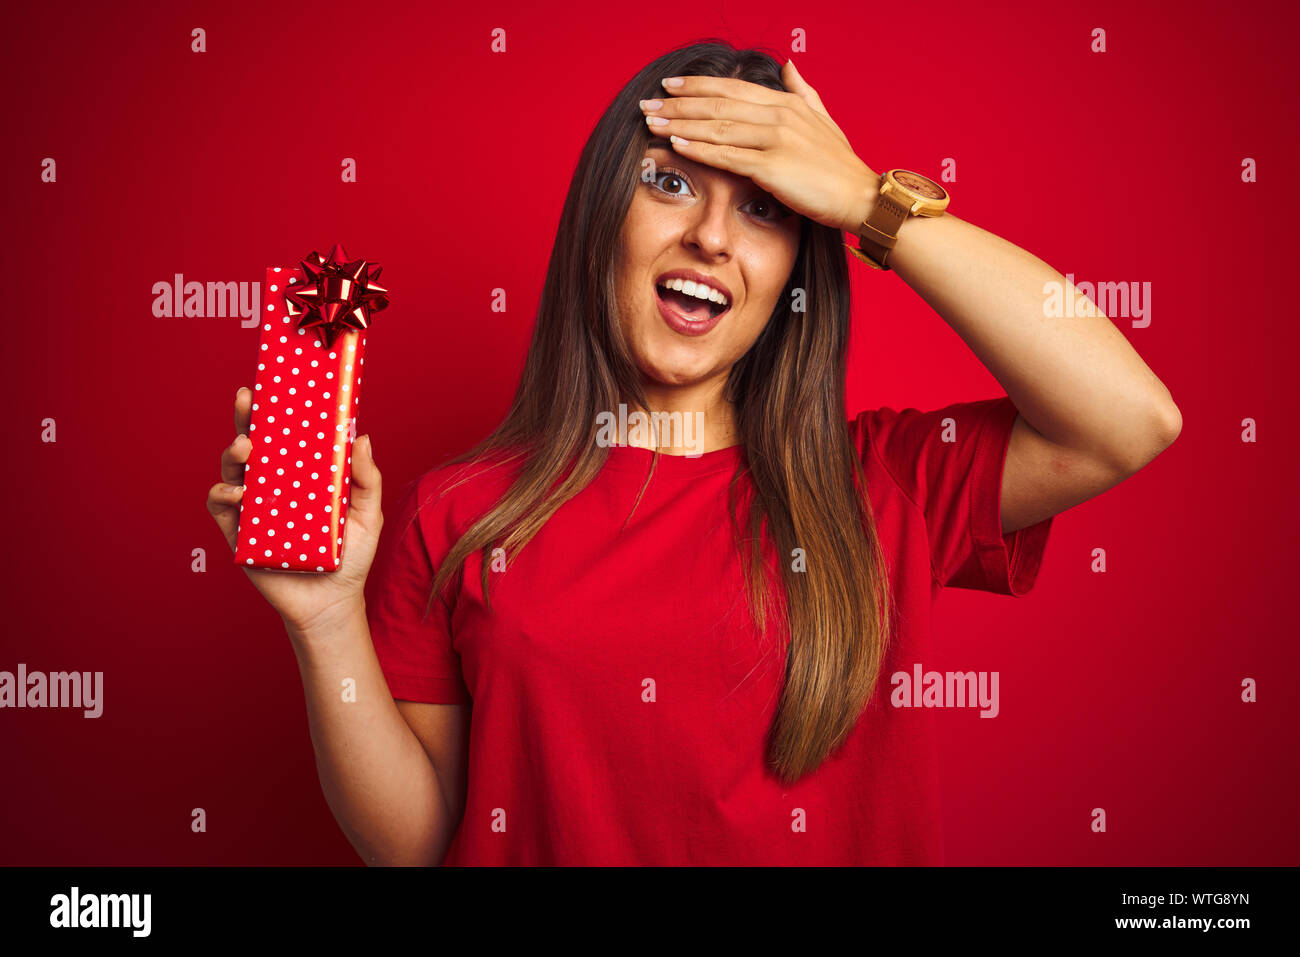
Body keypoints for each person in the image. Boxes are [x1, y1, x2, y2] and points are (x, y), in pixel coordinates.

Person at [206, 41, 1180, 865]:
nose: (712, 237)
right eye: (669, 184)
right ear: (602, 221)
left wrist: (865, 200)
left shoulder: (887, 482)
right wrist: (326, 622)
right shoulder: (452, 515)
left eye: (763, 207)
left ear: (801, 263)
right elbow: (419, 843)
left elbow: (1129, 418)